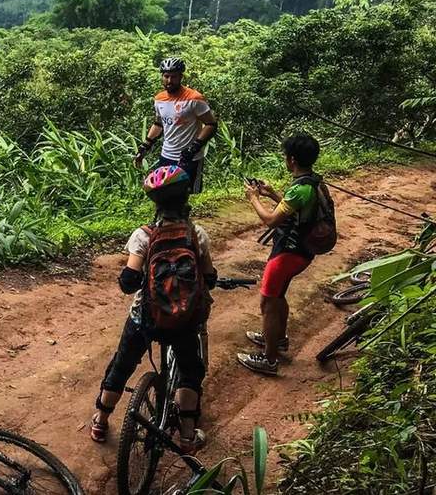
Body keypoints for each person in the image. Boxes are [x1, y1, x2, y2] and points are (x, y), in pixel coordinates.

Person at [90, 165, 220, 454]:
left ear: (155, 202)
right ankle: (187, 436)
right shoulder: (196, 234)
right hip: (185, 320)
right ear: (185, 196)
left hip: (146, 318)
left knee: (122, 365)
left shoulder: (144, 235)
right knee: (189, 371)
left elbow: (128, 282)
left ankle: (100, 421)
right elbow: (210, 277)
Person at [239, 134, 325, 376]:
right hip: (302, 251)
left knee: (268, 301)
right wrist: (273, 194)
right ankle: (277, 338)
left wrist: (253, 198)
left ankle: (269, 359)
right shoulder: (312, 182)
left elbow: (270, 220)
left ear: (292, 160)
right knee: (279, 296)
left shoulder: (301, 188)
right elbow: (296, 210)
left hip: (289, 251)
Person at [134, 57, 219, 194]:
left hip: (190, 158)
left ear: (181, 77)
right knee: (163, 191)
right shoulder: (159, 99)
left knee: (187, 194)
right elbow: (159, 124)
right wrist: (145, 146)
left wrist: (194, 147)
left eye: (173, 77)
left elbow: (211, 124)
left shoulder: (194, 98)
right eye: (166, 76)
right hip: (166, 155)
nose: (169, 81)